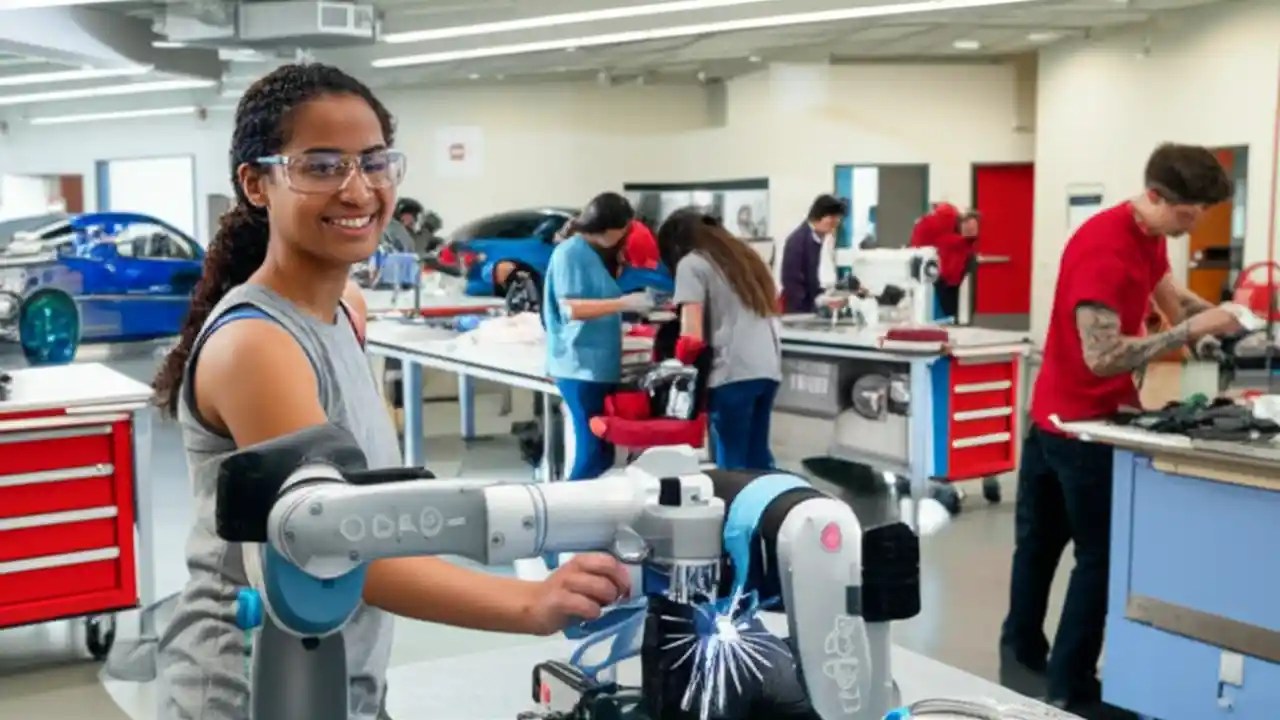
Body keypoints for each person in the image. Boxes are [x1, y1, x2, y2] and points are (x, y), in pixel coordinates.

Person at [150, 63, 631, 720]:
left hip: (339, 668)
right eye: (321, 166)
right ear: (257, 184)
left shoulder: (347, 308)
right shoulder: (256, 346)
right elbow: (334, 540)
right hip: (253, 685)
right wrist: (528, 603)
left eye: (374, 163)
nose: (358, 190)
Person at [1000, 142, 1242, 716]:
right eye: (1188, 213)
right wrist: (1189, 333)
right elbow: (1102, 357)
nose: (1194, 224)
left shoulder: (1147, 234)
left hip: (1056, 416)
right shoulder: (1104, 249)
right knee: (1100, 558)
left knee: (1039, 548)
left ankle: (1022, 656)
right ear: (1156, 196)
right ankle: (1071, 687)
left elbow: (1167, 297)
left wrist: (1218, 321)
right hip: (1079, 428)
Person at [658, 208, 782, 470]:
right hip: (767, 367)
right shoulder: (745, 257)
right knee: (757, 458)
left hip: (731, 373)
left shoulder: (691, 264)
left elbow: (691, 339)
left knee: (731, 463)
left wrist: (670, 364)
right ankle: (767, 507)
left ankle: (731, 509)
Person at [543, 192, 655, 480]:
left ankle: (589, 513)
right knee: (591, 453)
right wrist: (624, 303)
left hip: (595, 364)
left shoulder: (592, 254)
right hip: (579, 366)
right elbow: (571, 308)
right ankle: (568, 513)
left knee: (603, 452)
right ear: (608, 228)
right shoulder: (571, 253)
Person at [909, 203, 980, 320]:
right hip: (941, 278)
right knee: (943, 313)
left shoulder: (938, 224)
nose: (972, 230)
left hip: (930, 272)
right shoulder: (953, 238)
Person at [779, 194, 847, 314]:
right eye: (832, 219)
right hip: (798, 314)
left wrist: (825, 299)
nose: (835, 223)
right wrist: (815, 305)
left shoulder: (816, 239)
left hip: (808, 311)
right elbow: (792, 284)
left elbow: (812, 281)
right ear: (818, 216)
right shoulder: (797, 241)